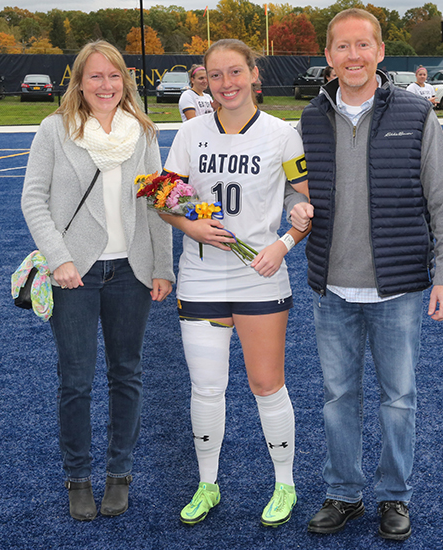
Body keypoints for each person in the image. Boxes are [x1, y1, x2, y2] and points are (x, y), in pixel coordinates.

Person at [291, 9, 443, 541]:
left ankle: (395, 497)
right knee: (338, 399)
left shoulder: (416, 114)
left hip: (400, 286)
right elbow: (295, 188)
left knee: (399, 398)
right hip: (332, 287)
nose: (353, 56)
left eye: (362, 45)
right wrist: (292, 209)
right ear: (328, 57)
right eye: (342, 47)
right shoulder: (309, 120)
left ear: (380, 51)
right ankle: (344, 493)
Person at [20, 40, 174, 522]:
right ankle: (79, 479)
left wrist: (162, 266)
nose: (105, 86)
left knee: (126, 374)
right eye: (95, 77)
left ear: (124, 81)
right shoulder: (54, 131)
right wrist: (60, 258)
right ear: (79, 83)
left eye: (114, 77)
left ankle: (119, 476)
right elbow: (34, 201)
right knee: (77, 380)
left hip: (132, 271)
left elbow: (159, 202)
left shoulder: (142, 131)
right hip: (76, 275)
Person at [160, 38, 310, 528]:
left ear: (253, 74)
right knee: (206, 388)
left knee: (267, 384)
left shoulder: (282, 135)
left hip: (259, 275)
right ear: (203, 80)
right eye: (215, 75)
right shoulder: (189, 133)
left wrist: (284, 243)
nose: (226, 83)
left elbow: (304, 204)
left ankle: (284, 483)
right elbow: (163, 197)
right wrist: (191, 226)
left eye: (235, 72)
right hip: (201, 276)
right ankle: (207, 484)